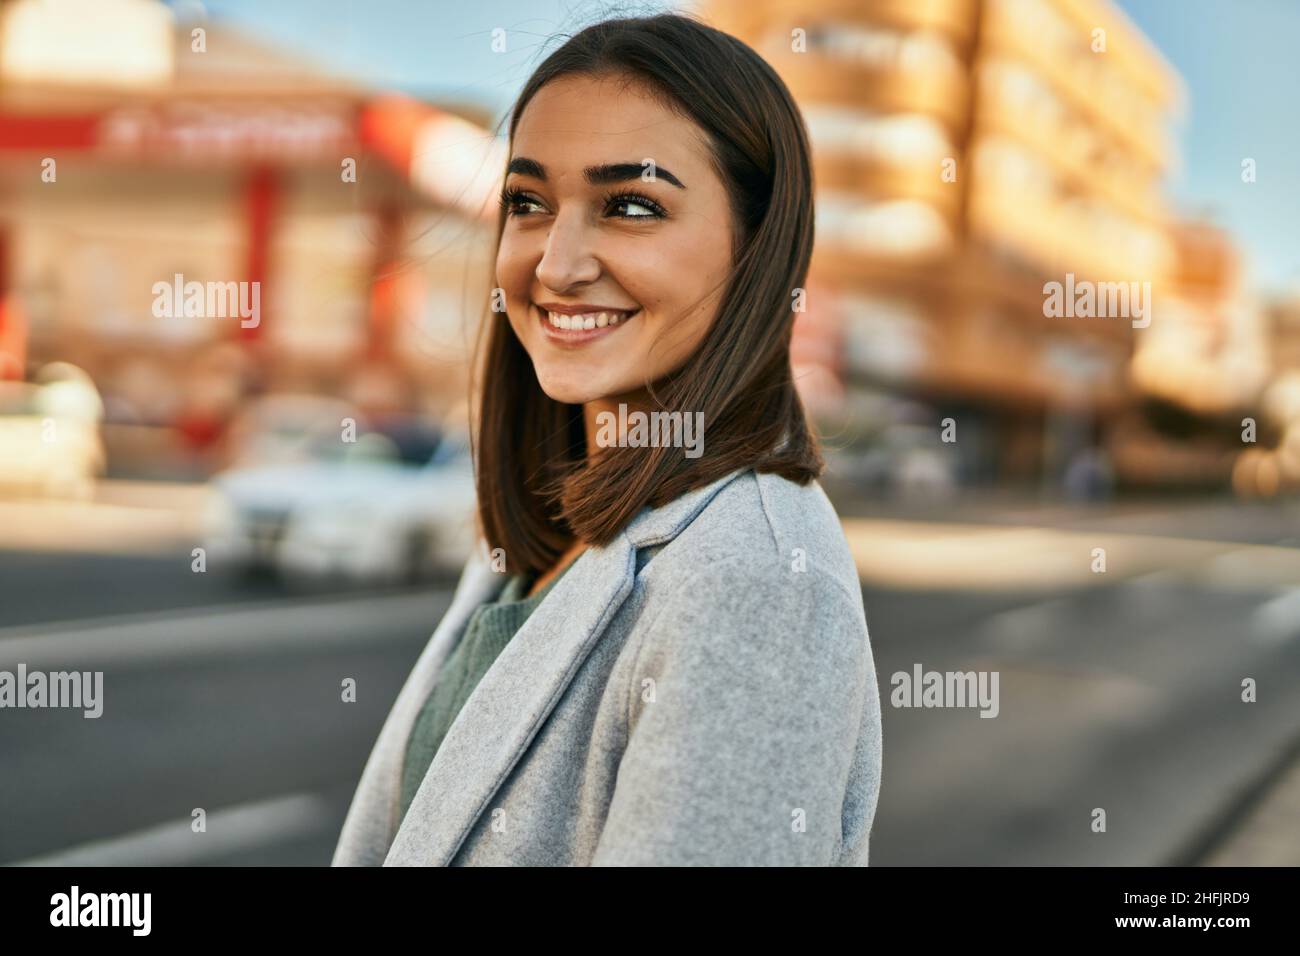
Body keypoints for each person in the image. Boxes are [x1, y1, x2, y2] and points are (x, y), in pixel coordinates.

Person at [332, 12, 883, 866]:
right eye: (528, 202)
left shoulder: (758, 575)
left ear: (758, 249)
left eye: (631, 205)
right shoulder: (541, 545)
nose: (555, 263)